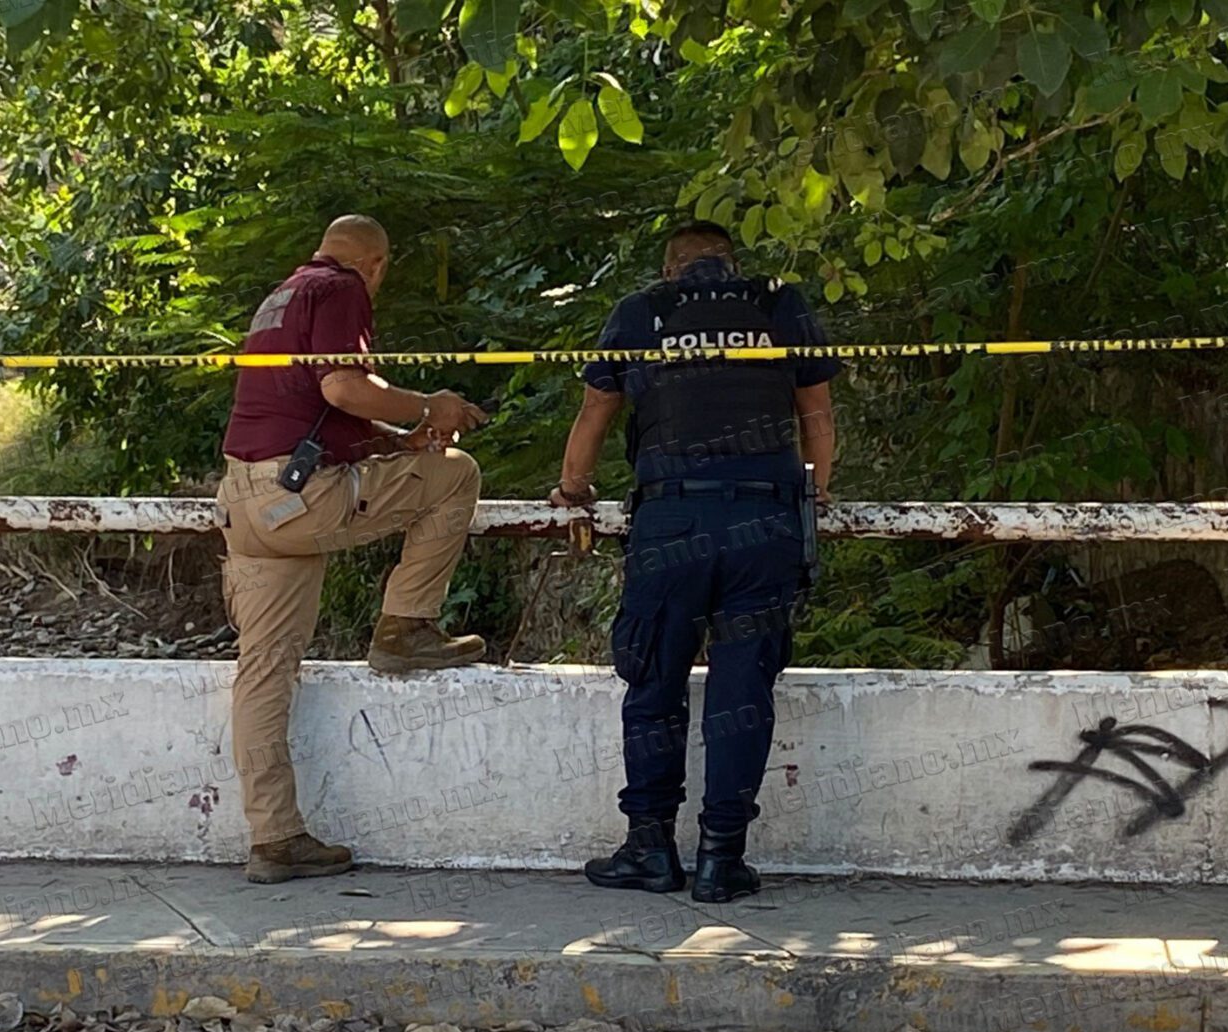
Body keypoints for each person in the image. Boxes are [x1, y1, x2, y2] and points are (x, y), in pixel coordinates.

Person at [549, 220, 837, 903]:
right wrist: (815, 492)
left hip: (671, 521)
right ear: (730, 264)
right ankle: (720, 859)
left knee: (653, 685)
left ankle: (650, 848)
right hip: (763, 520)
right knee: (742, 694)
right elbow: (817, 414)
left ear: (672, 268)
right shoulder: (777, 304)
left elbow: (596, 411)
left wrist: (572, 489)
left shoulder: (641, 312)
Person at [215, 214, 489, 884]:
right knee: (456, 473)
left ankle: (274, 840)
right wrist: (432, 407)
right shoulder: (341, 289)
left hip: (245, 500)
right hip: (300, 496)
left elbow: (320, 410)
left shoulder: (283, 295)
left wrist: (394, 445)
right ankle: (405, 627)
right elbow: (341, 385)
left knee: (263, 672)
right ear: (378, 263)